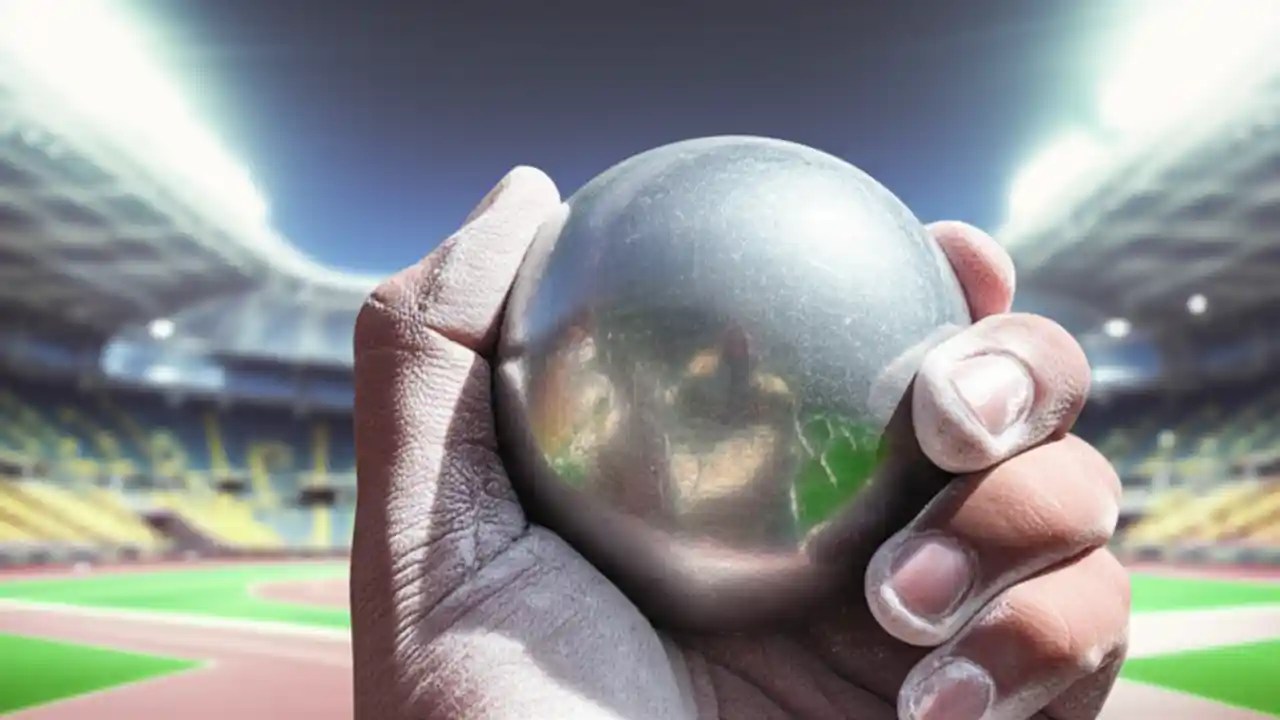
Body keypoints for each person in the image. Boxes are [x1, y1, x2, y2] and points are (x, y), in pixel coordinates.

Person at [350, 167, 1129, 720]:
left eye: (745, 349)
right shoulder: (583, 400)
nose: (735, 362)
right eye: (690, 343)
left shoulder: (807, 454)